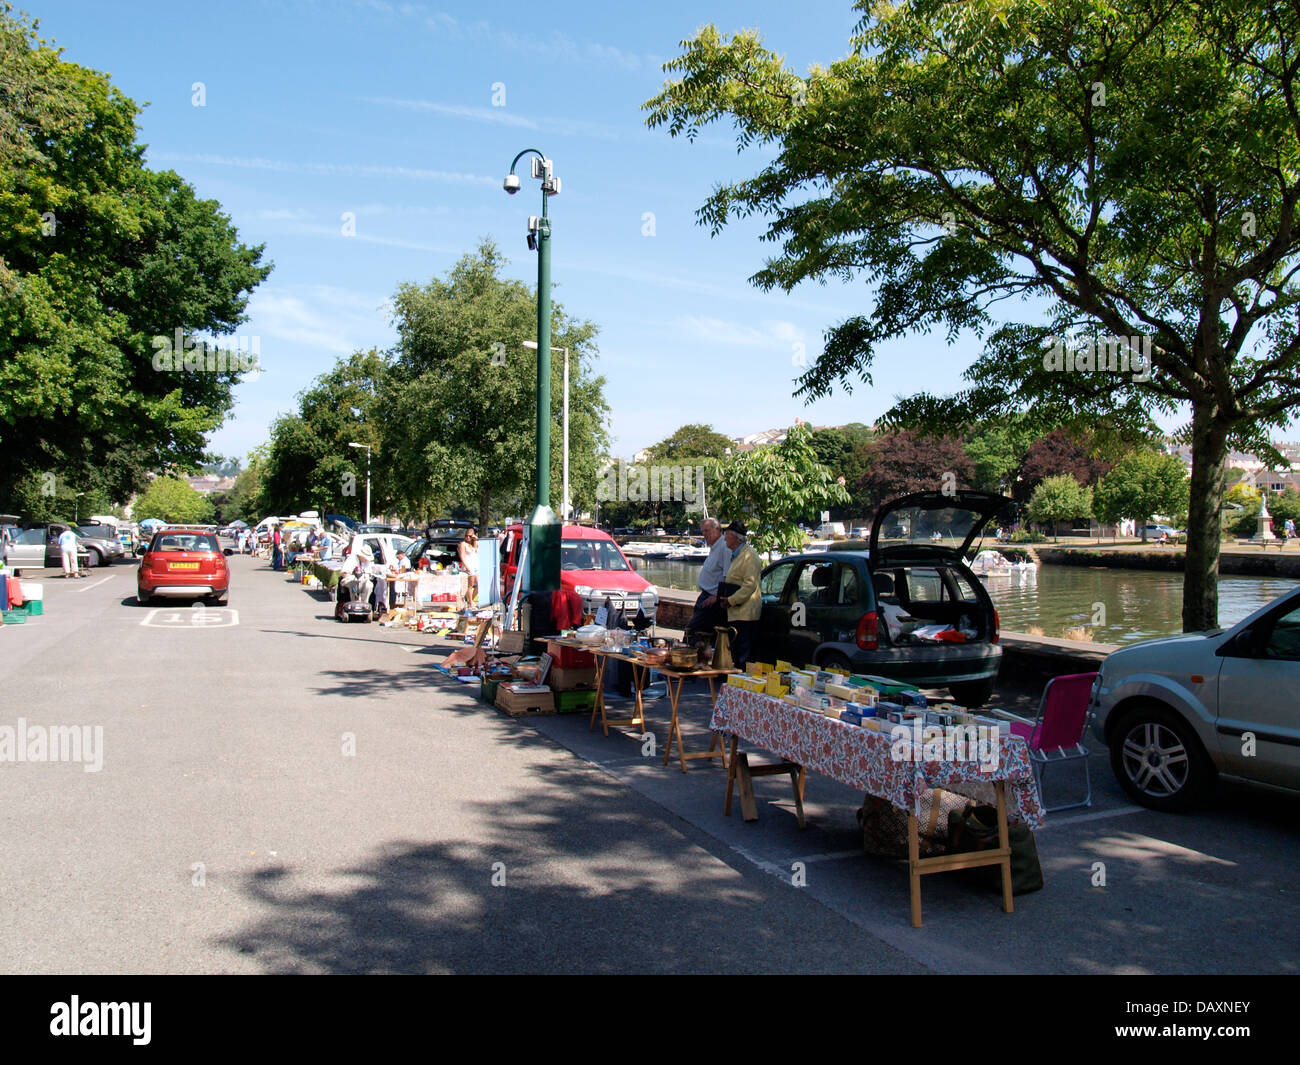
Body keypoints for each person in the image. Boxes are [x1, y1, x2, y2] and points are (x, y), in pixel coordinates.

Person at [716, 521, 762, 667]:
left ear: (736, 538)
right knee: (736, 650)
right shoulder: (738, 555)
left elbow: (750, 585)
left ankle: (742, 679)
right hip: (736, 611)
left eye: (727, 536)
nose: (724, 539)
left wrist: (731, 600)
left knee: (743, 653)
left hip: (745, 613)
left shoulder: (750, 556)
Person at [684, 517, 728, 639]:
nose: (704, 534)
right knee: (700, 636)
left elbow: (728, 577)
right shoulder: (714, 547)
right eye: (702, 531)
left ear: (717, 529)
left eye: (707, 531)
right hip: (705, 597)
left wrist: (716, 597)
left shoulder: (724, 547)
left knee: (691, 633)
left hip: (713, 600)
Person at [458, 527, 480, 605]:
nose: (468, 537)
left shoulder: (473, 544)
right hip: (469, 567)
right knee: (470, 585)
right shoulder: (463, 544)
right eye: (466, 536)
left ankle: (469, 600)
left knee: (479, 585)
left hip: (475, 567)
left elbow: (476, 551)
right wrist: (467, 567)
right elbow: (462, 556)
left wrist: (476, 539)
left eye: (470, 536)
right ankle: (470, 602)